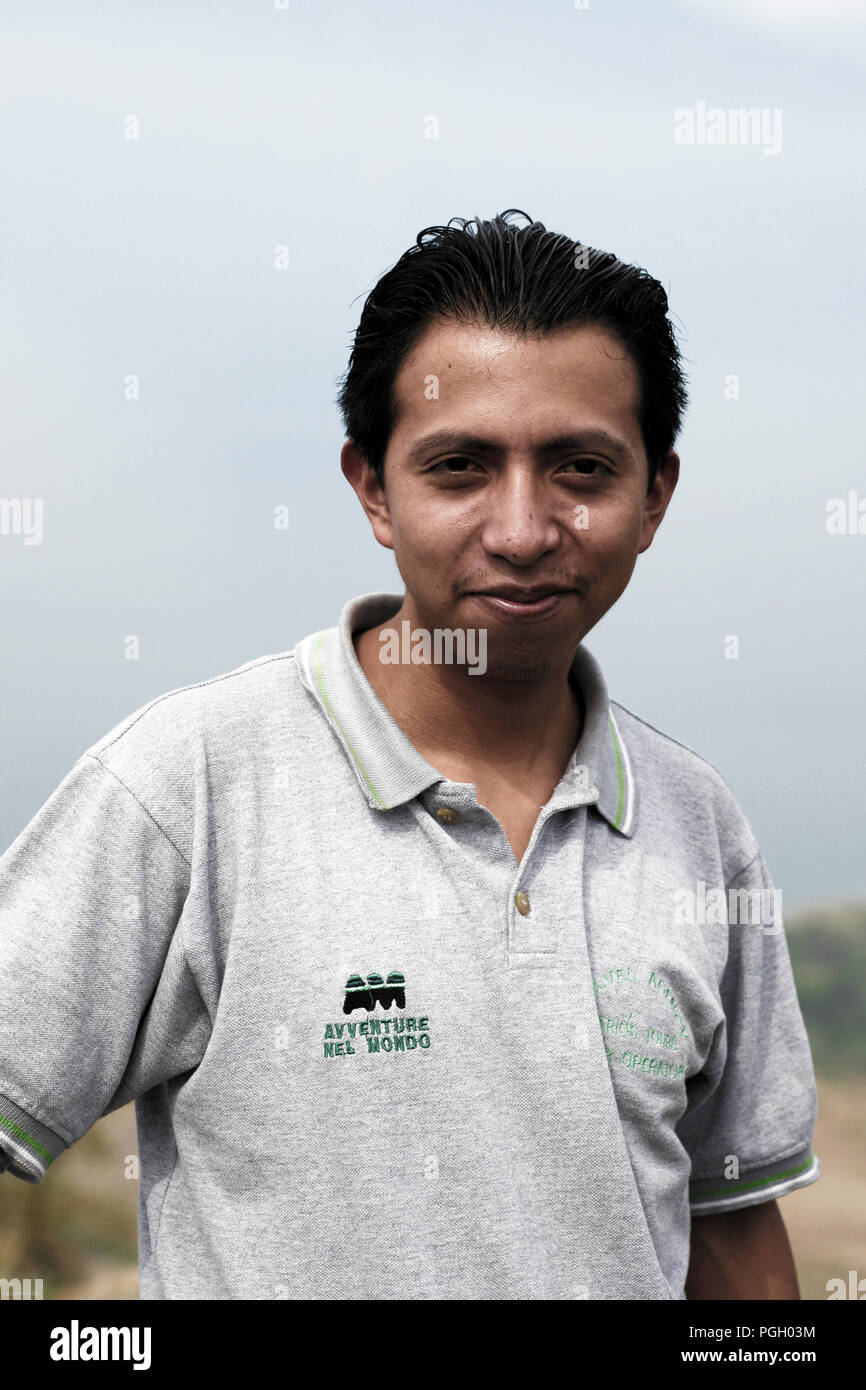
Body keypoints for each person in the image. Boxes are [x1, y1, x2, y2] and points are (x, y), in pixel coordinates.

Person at [0, 210, 819, 1300]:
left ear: (653, 497)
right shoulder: (189, 786)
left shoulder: (697, 825)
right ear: (374, 489)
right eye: (460, 467)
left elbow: (730, 1225)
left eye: (580, 468)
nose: (522, 530)